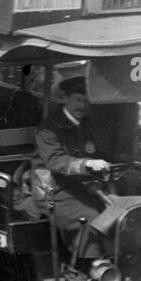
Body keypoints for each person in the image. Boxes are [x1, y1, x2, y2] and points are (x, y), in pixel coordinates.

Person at [32, 76, 111, 248]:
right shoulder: (48, 129)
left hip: (87, 186)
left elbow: (102, 151)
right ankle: (90, 267)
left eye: (87, 101)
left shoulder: (90, 124)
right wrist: (86, 164)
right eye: (78, 100)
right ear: (65, 98)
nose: (83, 106)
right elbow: (55, 161)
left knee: (122, 213)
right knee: (93, 221)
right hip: (54, 190)